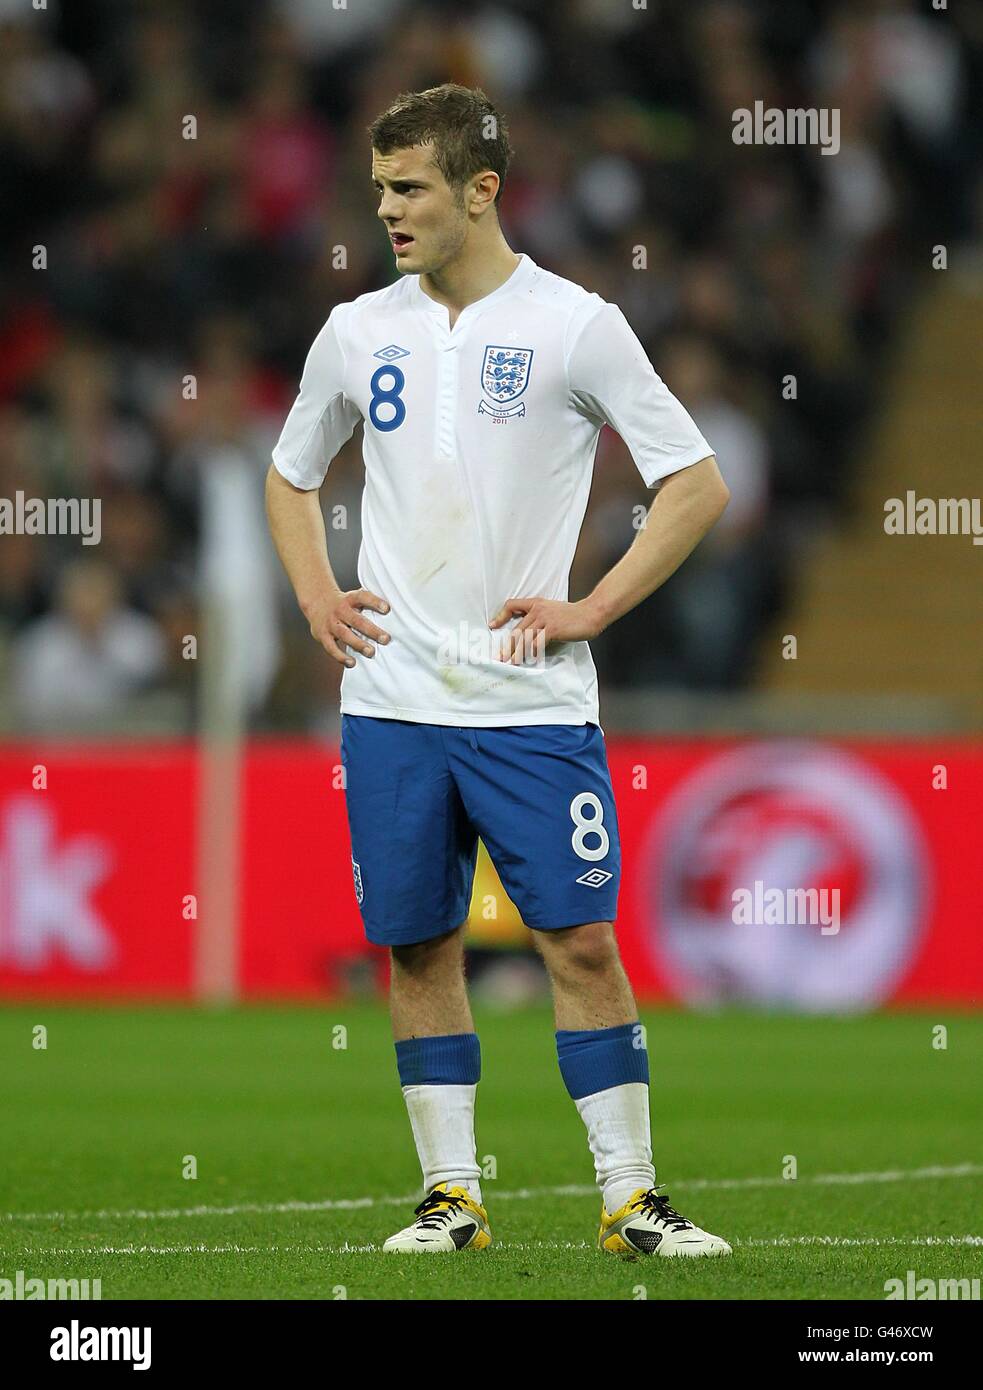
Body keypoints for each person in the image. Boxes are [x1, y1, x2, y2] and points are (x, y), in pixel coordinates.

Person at [266, 84, 732, 1257]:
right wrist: (316, 595)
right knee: (417, 947)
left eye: (409, 188)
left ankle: (629, 1198)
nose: (386, 210)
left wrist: (591, 607)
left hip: (528, 702)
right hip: (392, 702)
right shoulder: (356, 330)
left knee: (578, 943)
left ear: (482, 189)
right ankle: (450, 1199)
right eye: (378, 189)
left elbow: (694, 482)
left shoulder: (576, 324)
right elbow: (289, 473)